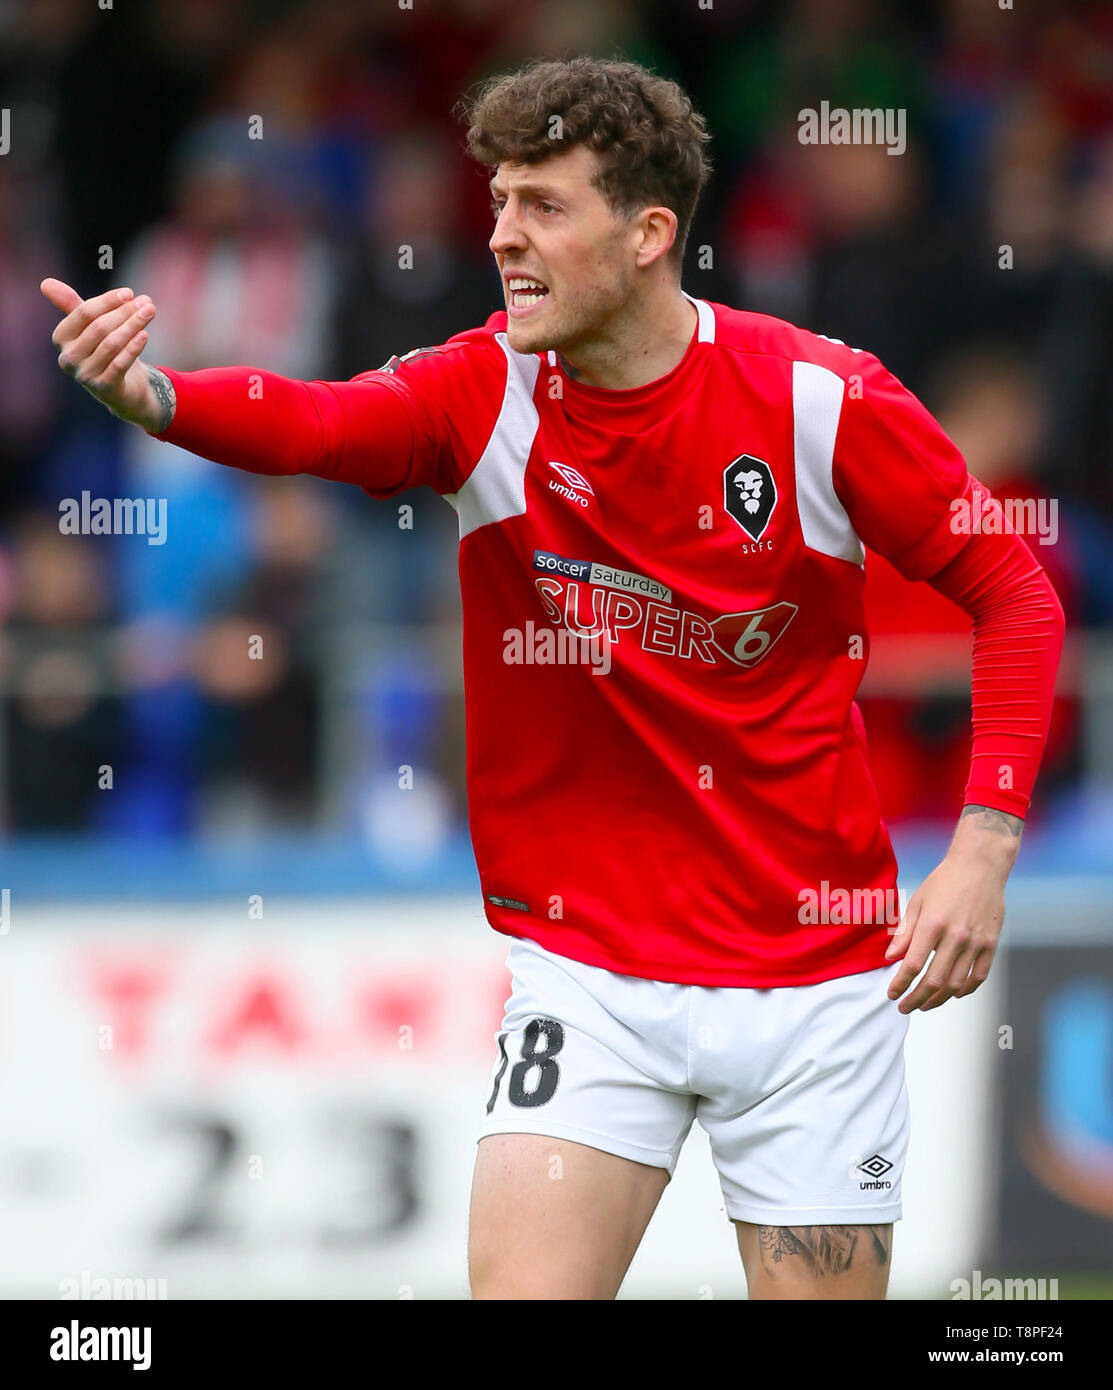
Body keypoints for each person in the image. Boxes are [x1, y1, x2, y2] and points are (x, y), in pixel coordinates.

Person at [41, 56, 1064, 1301]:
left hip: (817, 982)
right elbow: (319, 421)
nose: (502, 237)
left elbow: (1014, 591)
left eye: (541, 205)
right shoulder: (486, 391)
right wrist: (152, 397)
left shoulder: (821, 399)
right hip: (592, 977)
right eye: (497, 202)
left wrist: (984, 844)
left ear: (648, 234)